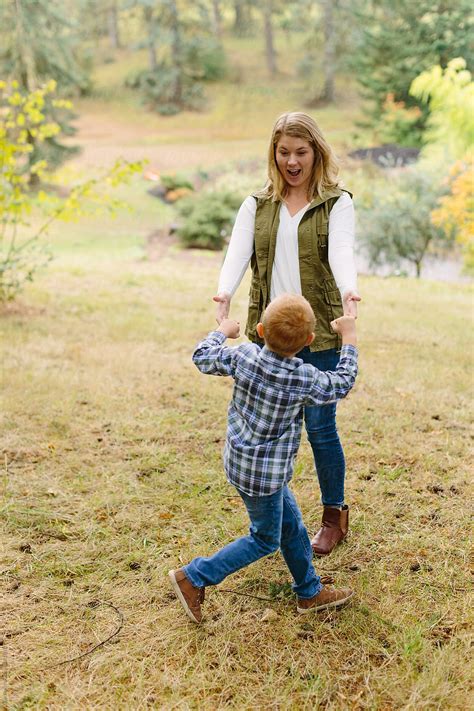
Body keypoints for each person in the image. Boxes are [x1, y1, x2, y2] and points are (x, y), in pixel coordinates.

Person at [213, 112, 361, 556]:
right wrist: (223, 293)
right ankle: (276, 518)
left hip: (315, 333)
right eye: (284, 152)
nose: (292, 161)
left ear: (316, 152)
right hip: (269, 333)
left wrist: (350, 289)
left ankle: (334, 515)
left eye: (301, 152)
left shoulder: (336, 203)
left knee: (320, 427)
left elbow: (342, 252)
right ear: (273, 154)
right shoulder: (256, 205)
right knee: (270, 428)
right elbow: (238, 253)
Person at [169, 293, 358, 624]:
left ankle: (309, 592)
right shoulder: (303, 377)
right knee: (265, 538)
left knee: (292, 526)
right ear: (309, 341)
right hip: (265, 479)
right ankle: (194, 577)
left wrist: (223, 331)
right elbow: (341, 383)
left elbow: (202, 356)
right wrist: (349, 338)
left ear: (259, 329)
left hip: (241, 464)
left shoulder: (245, 355)